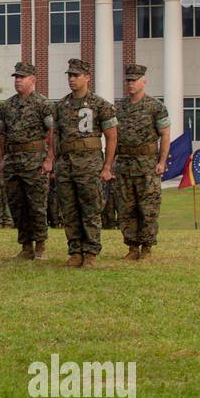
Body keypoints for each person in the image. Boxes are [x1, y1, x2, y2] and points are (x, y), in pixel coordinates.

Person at [50, 58, 117, 268]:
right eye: (70, 75)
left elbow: (112, 137)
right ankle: (75, 251)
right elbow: (55, 136)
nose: (72, 79)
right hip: (66, 165)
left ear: (87, 77)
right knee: (68, 210)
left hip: (89, 165)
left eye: (76, 75)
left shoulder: (101, 105)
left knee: (90, 209)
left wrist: (107, 166)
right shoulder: (60, 106)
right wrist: (53, 160)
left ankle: (90, 252)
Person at [0, 60, 52, 261]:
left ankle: (41, 246)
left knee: (36, 205)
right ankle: (26, 246)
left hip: (34, 161)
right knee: (17, 205)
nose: (18, 81)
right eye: (16, 77)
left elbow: (53, 132)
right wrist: (1, 158)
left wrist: (49, 159)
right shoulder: (7, 105)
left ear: (33, 80)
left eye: (22, 77)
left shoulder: (42, 104)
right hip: (13, 162)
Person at [112, 63, 169, 260]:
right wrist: (110, 162)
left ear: (143, 82)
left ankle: (147, 247)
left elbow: (165, 135)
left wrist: (162, 161)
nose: (130, 84)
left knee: (149, 208)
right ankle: (132, 247)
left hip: (147, 165)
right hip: (125, 164)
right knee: (126, 208)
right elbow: (112, 137)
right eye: (128, 80)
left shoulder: (156, 107)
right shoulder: (118, 107)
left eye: (134, 80)